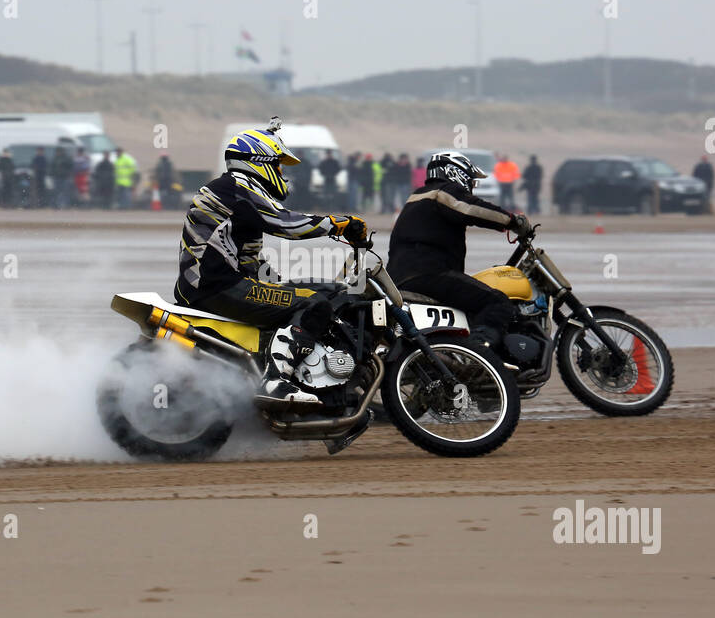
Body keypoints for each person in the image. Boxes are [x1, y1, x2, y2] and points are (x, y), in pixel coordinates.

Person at [174, 117, 368, 406]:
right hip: (219, 287)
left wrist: (284, 281)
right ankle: (276, 381)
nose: (281, 172)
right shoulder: (238, 187)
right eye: (278, 164)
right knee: (313, 303)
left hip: (217, 283)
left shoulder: (231, 191)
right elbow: (285, 224)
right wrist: (339, 224)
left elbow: (245, 256)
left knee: (326, 290)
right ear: (259, 160)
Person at [387, 150, 530, 351]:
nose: (472, 186)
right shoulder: (442, 191)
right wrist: (513, 221)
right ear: (456, 173)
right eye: (471, 180)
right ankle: (481, 354)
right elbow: (471, 208)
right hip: (429, 274)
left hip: (402, 276)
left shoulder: (416, 196)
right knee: (497, 302)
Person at [51, 144, 75, 209]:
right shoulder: (55, 159)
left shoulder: (66, 158)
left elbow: (71, 167)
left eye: (59, 151)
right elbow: (52, 168)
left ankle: (66, 205)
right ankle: (56, 205)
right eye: (58, 151)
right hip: (57, 177)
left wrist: (68, 174)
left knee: (65, 192)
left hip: (65, 178)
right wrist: (53, 174)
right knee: (56, 192)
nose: (58, 152)